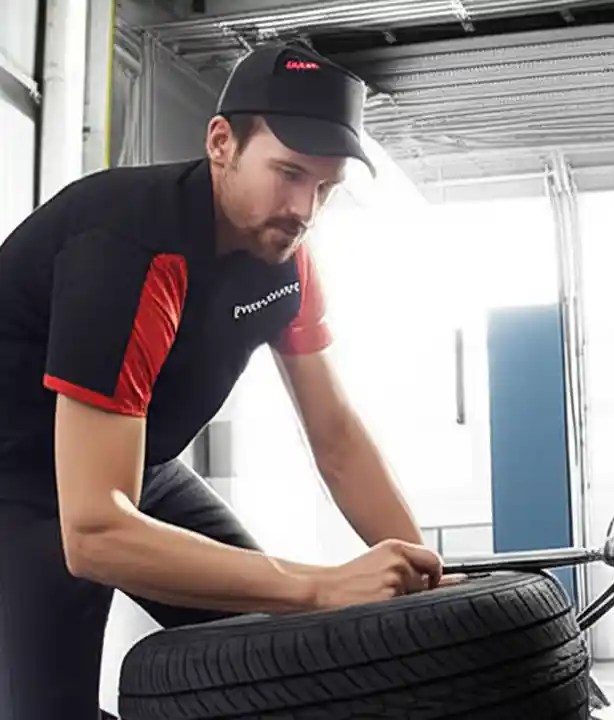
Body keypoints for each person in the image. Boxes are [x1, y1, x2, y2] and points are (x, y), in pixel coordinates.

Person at [0, 43, 449, 719]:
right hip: (20, 487)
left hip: (136, 464)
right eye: (289, 173)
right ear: (220, 143)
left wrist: (424, 576)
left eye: (325, 187)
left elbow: (335, 435)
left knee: (262, 658)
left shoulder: (287, 255)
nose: (305, 208)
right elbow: (93, 532)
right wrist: (321, 585)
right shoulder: (128, 251)